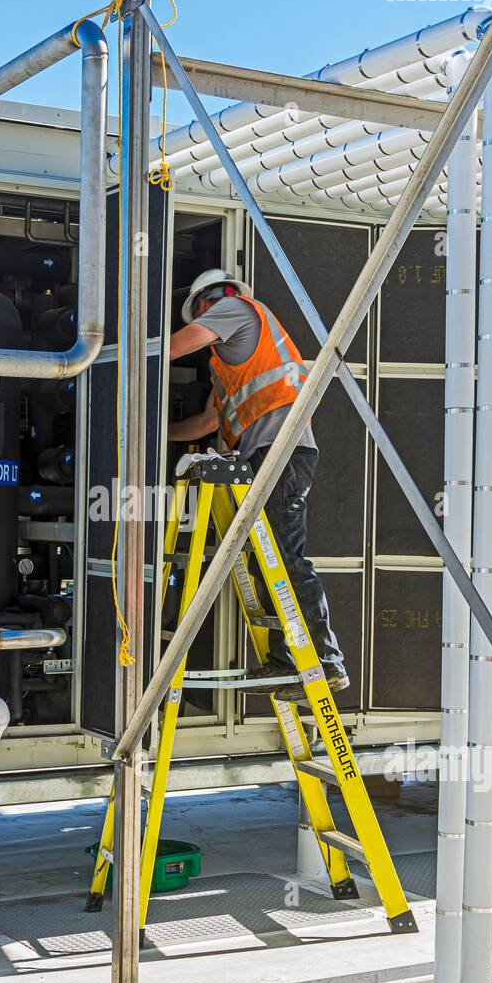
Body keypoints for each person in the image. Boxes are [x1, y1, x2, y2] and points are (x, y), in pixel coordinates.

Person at [166, 269, 348, 701]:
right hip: (265, 457)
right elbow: (210, 421)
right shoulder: (226, 365)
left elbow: (170, 348)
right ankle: (291, 661)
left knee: (286, 556)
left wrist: (116, 352)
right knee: (270, 561)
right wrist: (160, 432)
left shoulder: (234, 308)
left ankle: (324, 661)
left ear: (205, 305)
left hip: (282, 452)